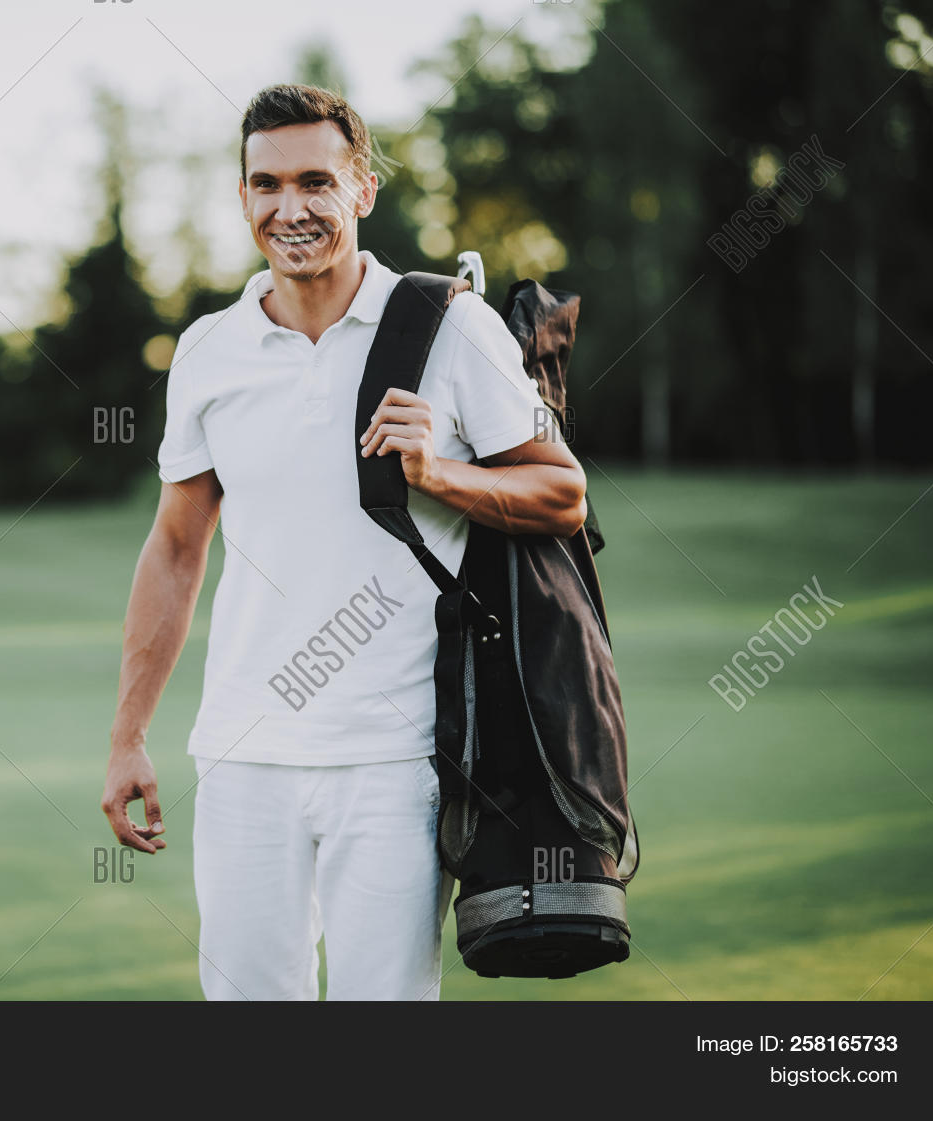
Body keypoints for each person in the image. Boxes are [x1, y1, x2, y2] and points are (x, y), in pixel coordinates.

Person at [100, 83, 588, 1000]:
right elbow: (174, 547)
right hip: (243, 759)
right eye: (267, 184)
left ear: (363, 189)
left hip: (397, 762)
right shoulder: (208, 351)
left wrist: (442, 474)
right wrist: (128, 735)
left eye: (317, 182)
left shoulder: (452, 325)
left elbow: (563, 493)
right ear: (242, 197)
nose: (292, 209)